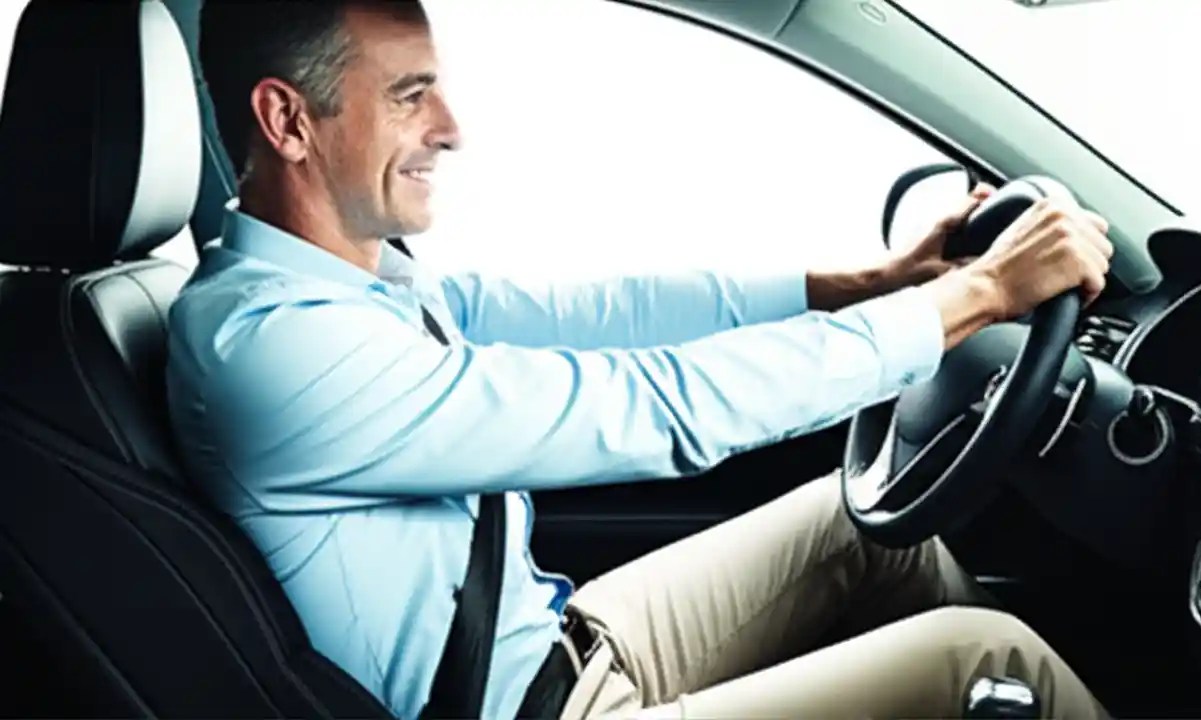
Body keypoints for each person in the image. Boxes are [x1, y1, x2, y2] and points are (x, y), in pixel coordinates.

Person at [169, 1, 1114, 718]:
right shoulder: (272, 346)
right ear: (288, 121)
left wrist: (874, 282)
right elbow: (650, 407)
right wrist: (977, 297)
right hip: (532, 710)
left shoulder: (353, 293)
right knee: (990, 664)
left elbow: (597, 317)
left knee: (858, 528)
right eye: (411, 96)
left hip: (559, 648)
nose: (452, 127)